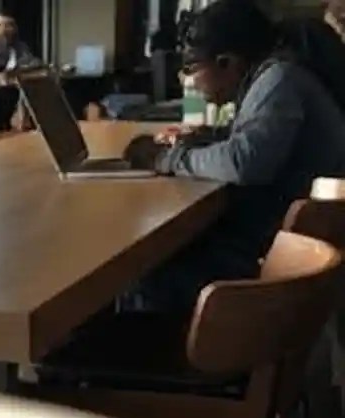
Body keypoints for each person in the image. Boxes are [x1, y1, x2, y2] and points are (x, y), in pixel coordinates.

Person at [131, 0, 345, 313]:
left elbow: (244, 163)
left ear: (226, 62)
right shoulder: (275, 77)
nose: (186, 80)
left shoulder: (279, 80)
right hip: (279, 240)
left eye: (191, 68)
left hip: (274, 258)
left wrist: (166, 159)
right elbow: (251, 140)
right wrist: (209, 137)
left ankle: (163, 341)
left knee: (148, 267)